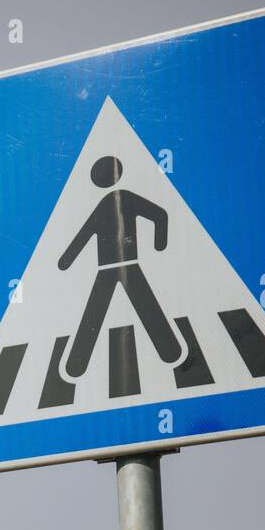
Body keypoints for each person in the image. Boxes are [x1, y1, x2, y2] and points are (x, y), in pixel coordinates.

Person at [58, 155, 182, 378]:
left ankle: (172, 354)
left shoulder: (118, 200)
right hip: (112, 269)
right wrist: (65, 262)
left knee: (138, 309)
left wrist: (160, 245)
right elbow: (159, 216)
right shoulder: (113, 201)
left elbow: (159, 215)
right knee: (102, 314)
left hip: (123, 267)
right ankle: (171, 353)